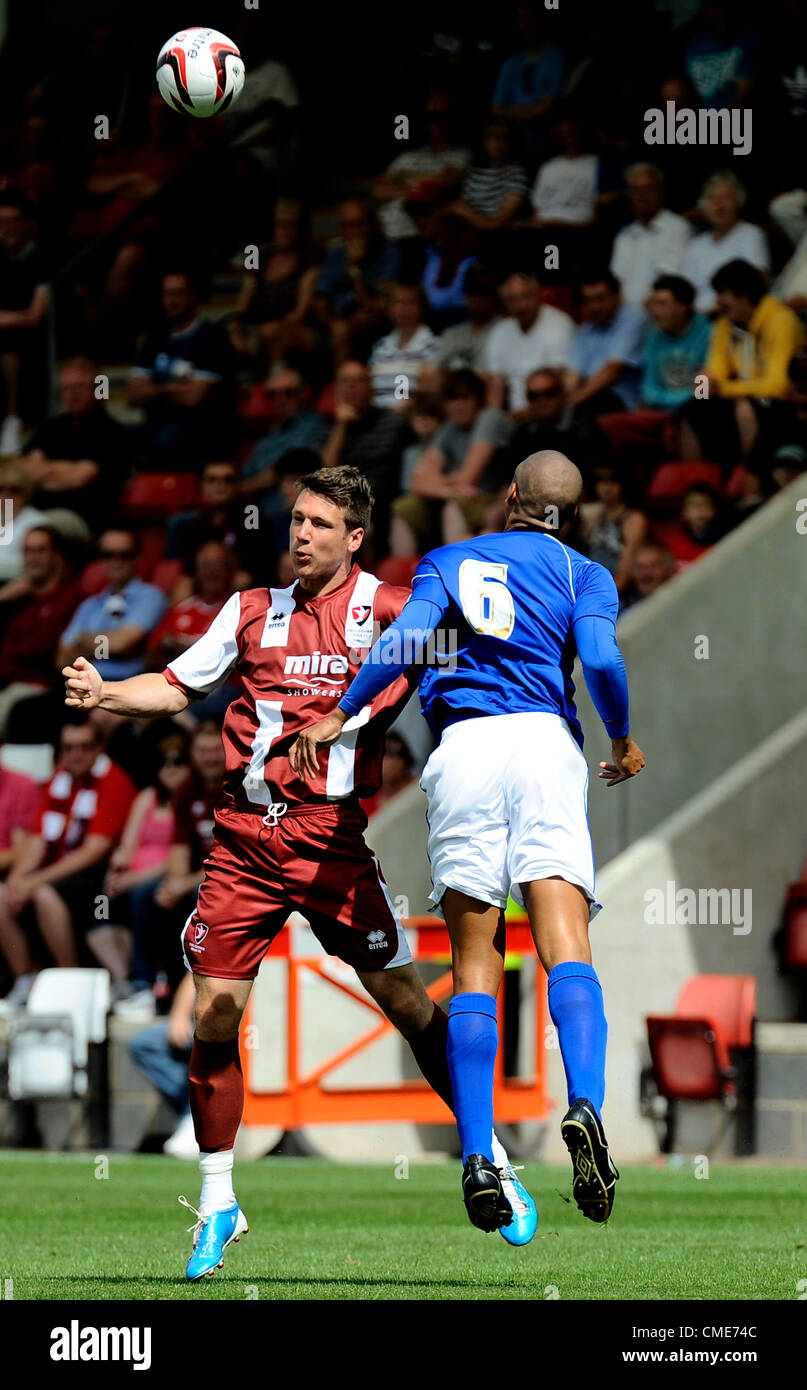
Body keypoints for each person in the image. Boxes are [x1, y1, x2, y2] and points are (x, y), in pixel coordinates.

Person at [62, 465, 535, 1277]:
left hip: (330, 843)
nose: (301, 534)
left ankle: (487, 1153)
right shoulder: (249, 611)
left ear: (355, 538)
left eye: (320, 524)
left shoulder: (391, 609)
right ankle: (218, 1201)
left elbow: (471, 644)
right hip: (244, 842)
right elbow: (175, 689)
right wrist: (107, 692)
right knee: (213, 1011)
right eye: (297, 521)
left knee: (405, 998)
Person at [292, 450, 646, 1231]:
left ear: (510, 497)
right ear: (572, 512)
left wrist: (339, 713)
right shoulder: (586, 573)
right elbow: (598, 657)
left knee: (475, 964)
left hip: (465, 751)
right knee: (565, 942)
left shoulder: (448, 560)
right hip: (546, 745)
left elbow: (405, 643)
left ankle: (479, 1152)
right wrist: (620, 738)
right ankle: (583, 1104)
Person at [0, 715, 136, 1006]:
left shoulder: (114, 781)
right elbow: (38, 840)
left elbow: (94, 851)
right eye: (69, 747)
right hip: (63, 871)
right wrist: (17, 879)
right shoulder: (58, 781)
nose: (77, 754)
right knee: (3, 893)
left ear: (100, 747)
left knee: (43, 893)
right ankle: (24, 978)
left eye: (85, 746)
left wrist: (33, 880)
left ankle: (69, 981)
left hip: (98, 880)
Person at [678, 260, 806, 467]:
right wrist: (702, 385)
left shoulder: (783, 321)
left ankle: (749, 476)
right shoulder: (724, 324)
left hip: (782, 405)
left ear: (744, 296)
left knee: (744, 407)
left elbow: (779, 385)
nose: (717, 302)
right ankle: (698, 483)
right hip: (742, 396)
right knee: (693, 409)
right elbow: (713, 373)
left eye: (722, 293)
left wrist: (724, 389)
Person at [392, 369, 513, 552]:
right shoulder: (450, 427)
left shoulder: (490, 418)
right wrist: (448, 490)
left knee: (452, 507)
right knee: (404, 508)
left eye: (465, 398)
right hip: (459, 496)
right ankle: (401, 574)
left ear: (478, 400)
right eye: (452, 399)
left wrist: (439, 483)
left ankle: (455, 572)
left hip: (489, 497)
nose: (458, 405)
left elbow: (468, 478)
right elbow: (416, 482)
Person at [127, 269, 234, 469]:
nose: (171, 301)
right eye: (167, 294)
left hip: (202, 430)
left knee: (166, 439)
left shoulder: (212, 337)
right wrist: (170, 388)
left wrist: (155, 390)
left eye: (178, 293)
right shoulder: (153, 340)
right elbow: (133, 395)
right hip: (155, 424)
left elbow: (194, 397)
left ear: (193, 296)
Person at [595, 275, 711, 461]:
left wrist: (671, 403)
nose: (655, 312)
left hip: (691, 416)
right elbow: (648, 389)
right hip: (659, 413)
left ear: (684, 305)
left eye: (663, 304)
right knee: (608, 425)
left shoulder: (708, 333)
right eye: (654, 304)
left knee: (682, 423)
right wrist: (672, 402)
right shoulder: (654, 335)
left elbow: (703, 394)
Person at [22, 356, 131, 531]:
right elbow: (27, 471)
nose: (73, 393)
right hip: (37, 513)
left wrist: (47, 469)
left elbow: (80, 478)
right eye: (67, 388)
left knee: (36, 529)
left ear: (96, 390)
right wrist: (66, 469)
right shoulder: (48, 429)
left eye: (80, 386)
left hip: (83, 519)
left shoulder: (111, 432)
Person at [0, 526, 81, 738]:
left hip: (38, 689)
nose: (32, 558)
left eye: (40, 551)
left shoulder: (71, 598)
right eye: (28, 551)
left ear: (56, 556)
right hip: (9, 686)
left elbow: (41, 651)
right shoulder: (19, 600)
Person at [57, 528, 167, 683]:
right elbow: (62, 659)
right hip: (82, 684)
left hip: (125, 685)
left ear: (138, 558)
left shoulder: (151, 597)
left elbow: (121, 644)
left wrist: (83, 640)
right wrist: (108, 645)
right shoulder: (89, 604)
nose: (116, 561)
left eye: (125, 555)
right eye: (108, 555)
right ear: (101, 560)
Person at [373, 95, 471, 243]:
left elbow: (444, 181)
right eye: (433, 117)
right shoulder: (409, 156)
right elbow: (379, 190)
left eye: (443, 116)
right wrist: (419, 188)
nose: (439, 122)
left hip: (421, 236)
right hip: (386, 235)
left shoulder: (462, 154)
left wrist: (401, 179)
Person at [313, 200, 399, 364]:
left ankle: (342, 387)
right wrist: (333, 323)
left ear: (373, 224)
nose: (354, 232)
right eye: (347, 226)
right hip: (338, 321)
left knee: (342, 331)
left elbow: (377, 307)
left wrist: (355, 268)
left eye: (359, 224)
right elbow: (320, 303)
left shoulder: (390, 252)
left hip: (375, 323)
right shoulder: (336, 252)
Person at [240, 367, 330, 518]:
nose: (280, 400)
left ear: (302, 394)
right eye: (272, 395)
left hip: (294, 515)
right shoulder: (267, 438)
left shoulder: (315, 425)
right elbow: (245, 478)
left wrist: (239, 489)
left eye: (288, 393)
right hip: (258, 517)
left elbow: (294, 465)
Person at [166, 460, 266, 592]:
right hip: (205, 592)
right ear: (202, 486)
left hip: (243, 595)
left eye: (228, 480)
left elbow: (248, 574)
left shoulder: (251, 514)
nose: (220, 486)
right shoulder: (196, 523)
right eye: (212, 480)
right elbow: (189, 575)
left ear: (238, 485)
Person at [0, 190, 50, 454]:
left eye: (13, 221)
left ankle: (11, 419)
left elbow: (34, 316)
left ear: (25, 223)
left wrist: (7, 318)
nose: (7, 228)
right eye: (2, 222)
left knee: (8, 346)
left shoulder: (42, 258)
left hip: (29, 343)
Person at [483, 271, 575, 413]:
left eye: (526, 296)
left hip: (549, 412)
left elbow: (558, 387)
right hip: (513, 416)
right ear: (505, 303)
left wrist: (526, 414)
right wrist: (498, 417)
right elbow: (495, 392)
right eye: (513, 299)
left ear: (539, 294)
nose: (521, 305)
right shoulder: (500, 332)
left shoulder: (559, 325)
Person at [681, 172, 770, 315]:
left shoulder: (751, 234)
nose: (719, 204)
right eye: (712, 199)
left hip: (732, 317)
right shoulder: (696, 245)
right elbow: (683, 291)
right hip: (695, 321)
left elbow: (758, 282)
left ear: (738, 202)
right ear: (703, 207)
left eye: (726, 198)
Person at [564, 271, 647, 417]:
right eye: (588, 300)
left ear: (618, 296)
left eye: (601, 298)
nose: (595, 306)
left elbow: (611, 372)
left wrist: (571, 403)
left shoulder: (634, 317)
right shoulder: (586, 329)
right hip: (590, 398)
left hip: (621, 403)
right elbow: (572, 376)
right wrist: (561, 401)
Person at [609, 165, 691, 307]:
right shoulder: (624, 235)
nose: (642, 196)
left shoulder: (677, 228)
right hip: (623, 315)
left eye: (648, 189)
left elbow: (668, 282)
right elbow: (616, 282)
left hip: (659, 314)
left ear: (661, 191)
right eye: (636, 190)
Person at [578, 462, 648, 594]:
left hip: (616, 593)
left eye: (613, 480)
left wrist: (595, 600)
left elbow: (624, 576)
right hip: (590, 587)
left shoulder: (634, 519)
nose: (607, 487)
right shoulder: (594, 516)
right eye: (601, 481)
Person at [367, 284, 438, 409]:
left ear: (421, 307)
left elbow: (431, 393)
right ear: (390, 308)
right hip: (375, 416)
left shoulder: (433, 345)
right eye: (398, 302)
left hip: (410, 417)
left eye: (410, 302)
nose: (404, 308)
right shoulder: (381, 346)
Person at [619, 541, 676, 614]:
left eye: (653, 566)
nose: (646, 573)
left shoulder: (682, 600)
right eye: (640, 567)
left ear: (667, 568)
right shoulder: (622, 612)